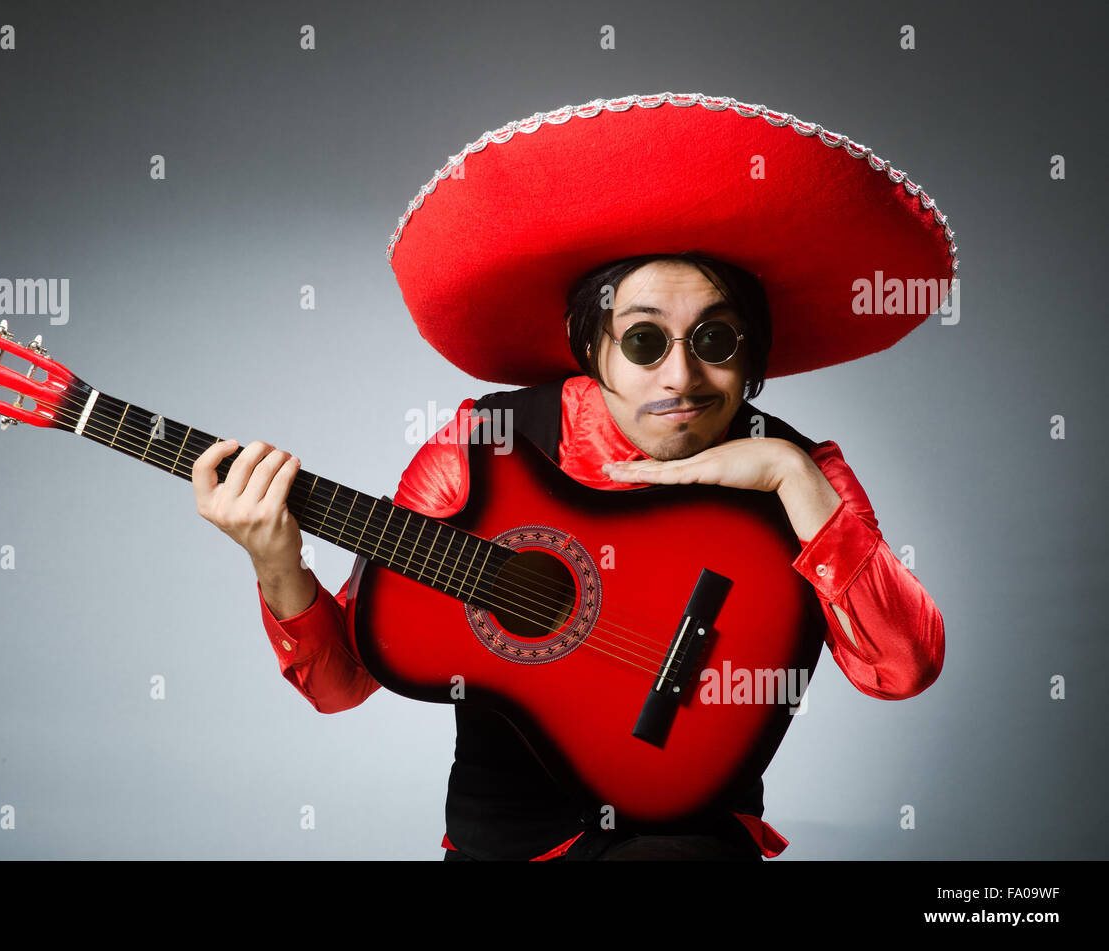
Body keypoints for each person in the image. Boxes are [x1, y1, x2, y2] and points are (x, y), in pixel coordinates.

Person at [191, 93, 955, 860]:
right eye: (646, 340)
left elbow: (903, 668)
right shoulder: (486, 449)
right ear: (594, 349)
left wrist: (793, 477)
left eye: (715, 338)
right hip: (507, 844)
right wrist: (276, 561)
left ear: (751, 355)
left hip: (682, 830)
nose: (681, 376)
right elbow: (342, 686)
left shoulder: (803, 472)